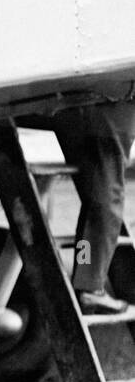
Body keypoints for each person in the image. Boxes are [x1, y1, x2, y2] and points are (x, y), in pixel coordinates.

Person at [52, 102, 135, 315]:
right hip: (104, 108)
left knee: (97, 204)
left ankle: (86, 279)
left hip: (82, 109)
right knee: (107, 200)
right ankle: (89, 287)